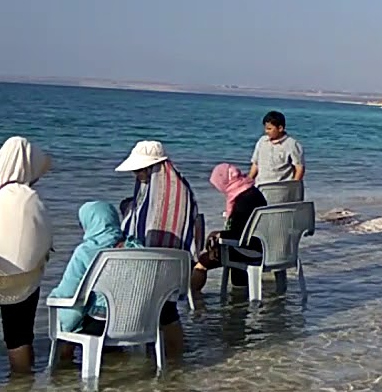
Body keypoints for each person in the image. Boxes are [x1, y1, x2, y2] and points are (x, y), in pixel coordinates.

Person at [116, 140, 202, 353]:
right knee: (166, 310)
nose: (136, 174)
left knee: (165, 309)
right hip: (171, 263)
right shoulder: (153, 187)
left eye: (140, 169)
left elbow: (153, 225)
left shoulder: (171, 191)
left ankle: (171, 356)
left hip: (163, 264)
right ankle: (171, 358)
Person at [0, 137, 53, 374]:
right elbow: (43, 238)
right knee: (19, 335)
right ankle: (22, 384)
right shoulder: (29, 197)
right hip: (23, 280)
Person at [48, 202, 137, 333]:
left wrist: (65, 324)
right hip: (138, 320)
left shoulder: (86, 252)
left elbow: (68, 292)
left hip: (102, 323)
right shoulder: (135, 246)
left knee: (69, 315)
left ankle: (66, 352)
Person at [192, 163, 268, 298]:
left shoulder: (242, 200)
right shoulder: (253, 192)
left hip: (250, 250)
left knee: (203, 261)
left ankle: (193, 298)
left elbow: (238, 233)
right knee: (228, 247)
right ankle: (239, 293)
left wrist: (217, 234)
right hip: (262, 246)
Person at [249, 111, 305, 185]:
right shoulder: (262, 141)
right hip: (260, 186)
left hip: (281, 187)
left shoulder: (291, 144)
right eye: (265, 128)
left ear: (280, 128)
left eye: (269, 129)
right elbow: (256, 164)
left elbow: (299, 168)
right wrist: (248, 180)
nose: (266, 131)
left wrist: (294, 186)